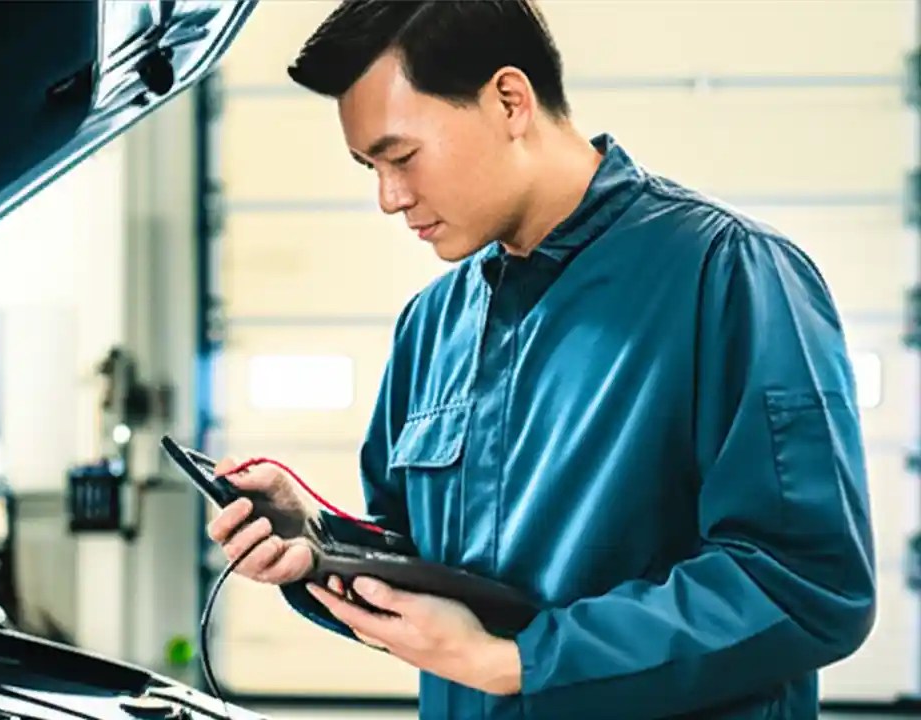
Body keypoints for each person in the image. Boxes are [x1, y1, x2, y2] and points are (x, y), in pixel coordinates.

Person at [205, 1, 876, 717]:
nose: (389, 197)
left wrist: (518, 662)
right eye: (370, 166)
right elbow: (427, 566)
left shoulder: (727, 275)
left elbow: (806, 583)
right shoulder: (430, 325)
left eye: (401, 157)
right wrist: (317, 541)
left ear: (508, 101)